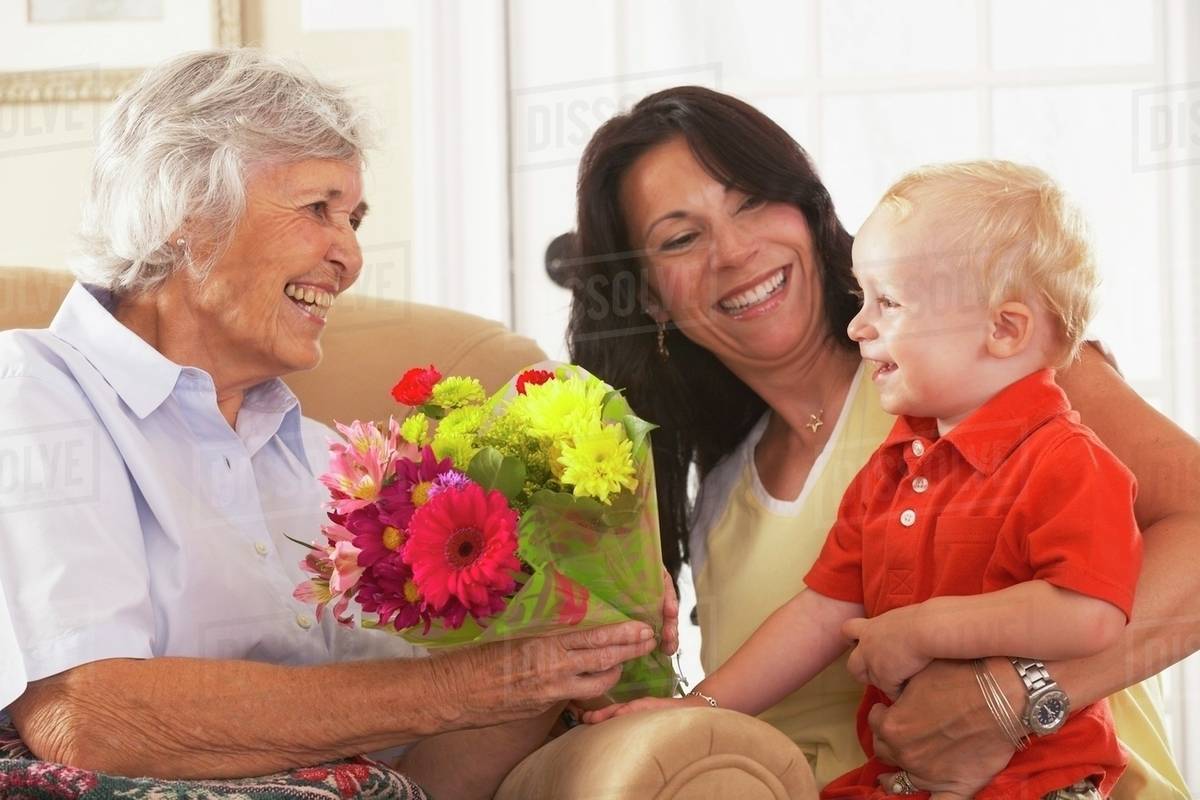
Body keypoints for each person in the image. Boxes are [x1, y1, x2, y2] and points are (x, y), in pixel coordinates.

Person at [0, 49, 674, 800]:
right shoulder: (32, 391)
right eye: (318, 208)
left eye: (354, 220)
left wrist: (563, 653)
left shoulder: (339, 468)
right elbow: (90, 720)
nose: (349, 256)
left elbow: (419, 774)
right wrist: (474, 683)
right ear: (185, 212)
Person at [556, 86, 1198, 799]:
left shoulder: (1006, 366)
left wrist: (1014, 698)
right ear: (648, 298)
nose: (734, 252)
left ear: (807, 208)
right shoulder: (714, 507)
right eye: (681, 238)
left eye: (750, 201)